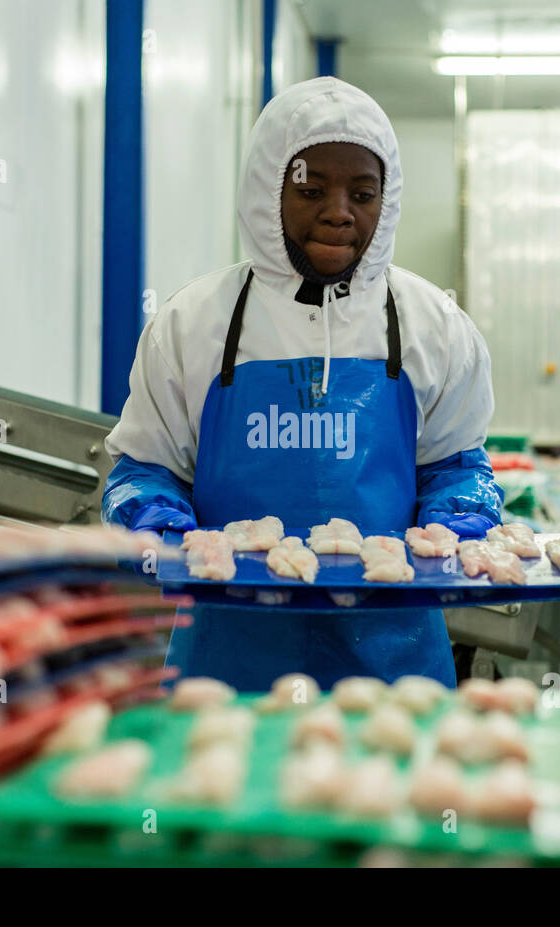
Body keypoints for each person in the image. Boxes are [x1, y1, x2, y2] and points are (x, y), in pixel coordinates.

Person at [101, 77, 502, 691]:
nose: (339, 211)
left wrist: (459, 519)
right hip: (228, 669)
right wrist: (162, 529)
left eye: (363, 193)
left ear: (386, 200)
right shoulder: (194, 323)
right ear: (267, 190)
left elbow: (456, 463)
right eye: (311, 189)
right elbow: (144, 469)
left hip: (396, 670)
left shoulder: (432, 325)